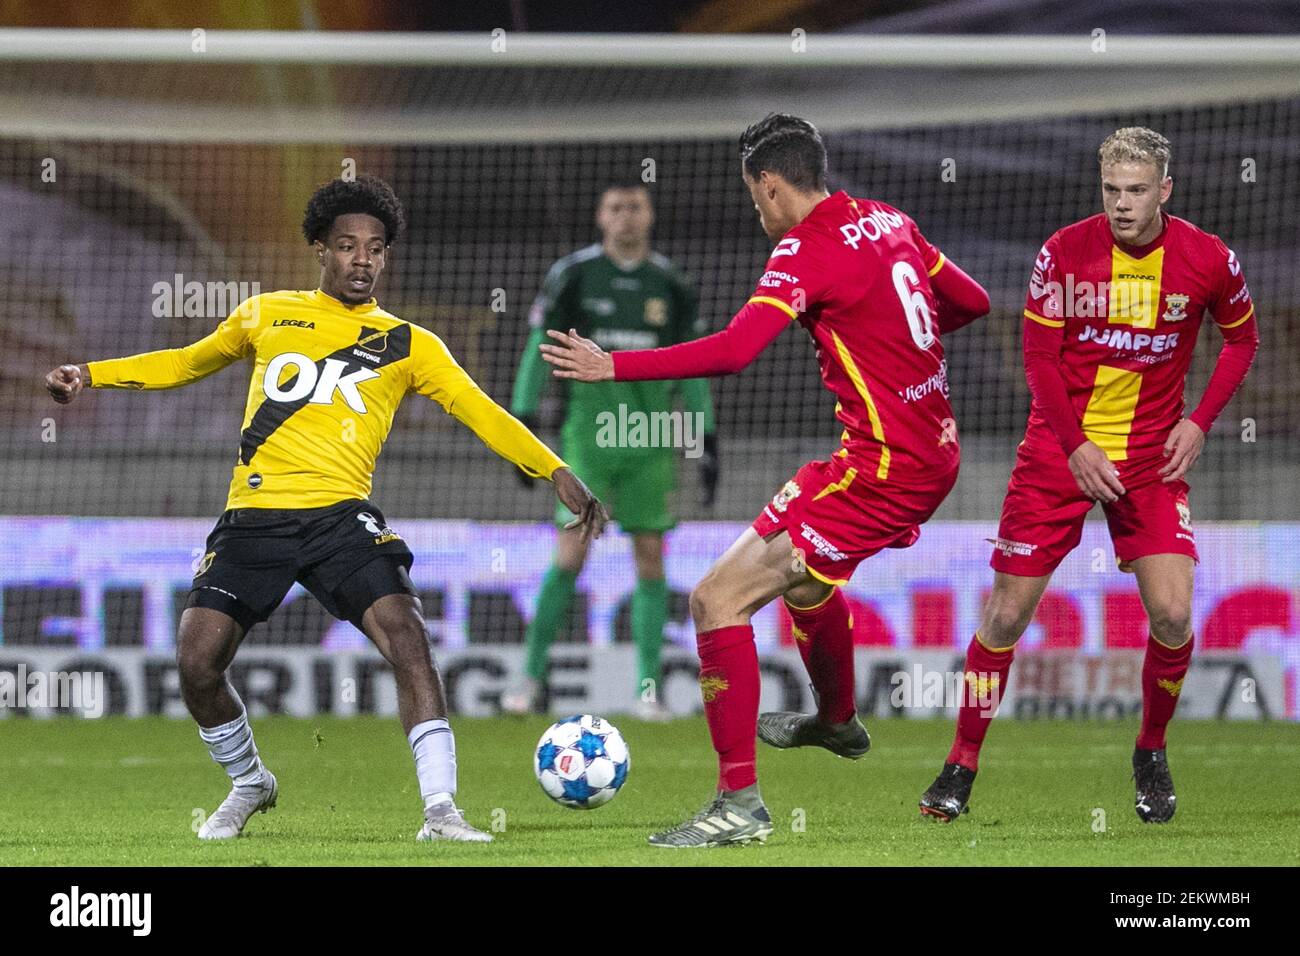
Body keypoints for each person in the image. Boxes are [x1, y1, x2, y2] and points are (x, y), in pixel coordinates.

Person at [45, 175, 606, 843]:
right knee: (196, 664)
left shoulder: (409, 344)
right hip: (254, 519)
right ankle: (251, 781)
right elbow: (184, 363)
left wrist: (556, 469)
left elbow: (481, 412)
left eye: (374, 248)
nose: (362, 259)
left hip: (341, 518)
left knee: (408, 638)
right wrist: (92, 373)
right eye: (347, 245)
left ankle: (441, 812)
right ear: (321, 249)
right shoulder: (266, 314)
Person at [540, 115, 989, 847]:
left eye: (756, 198)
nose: (758, 212)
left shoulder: (803, 249)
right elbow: (970, 303)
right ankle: (837, 720)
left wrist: (610, 364)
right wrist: (900, 347)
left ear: (773, 186)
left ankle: (738, 805)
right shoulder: (887, 219)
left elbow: (734, 351)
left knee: (715, 599)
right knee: (807, 586)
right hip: (921, 451)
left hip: (885, 468)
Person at [918, 128, 1258, 824]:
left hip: (1151, 458)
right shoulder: (1065, 253)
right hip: (1057, 454)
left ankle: (1151, 750)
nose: (1123, 205)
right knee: (1006, 614)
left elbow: (1241, 337)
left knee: (1171, 612)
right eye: (1112, 191)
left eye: (1137, 191)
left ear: (1165, 190)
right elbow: (1038, 358)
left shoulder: (1207, 259)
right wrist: (1074, 446)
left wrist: (1200, 421)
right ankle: (960, 763)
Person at [503, 183, 718, 720]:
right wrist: (521, 425)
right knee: (571, 555)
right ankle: (530, 680)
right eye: (616, 207)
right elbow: (539, 348)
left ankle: (648, 691)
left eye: (636, 206)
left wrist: (707, 436)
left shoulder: (669, 283)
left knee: (650, 558)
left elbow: (693, 365)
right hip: (589, 441)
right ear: (601, 216)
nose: (626, 216)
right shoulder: (574, 274)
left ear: (650, 215)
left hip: (649, 441)